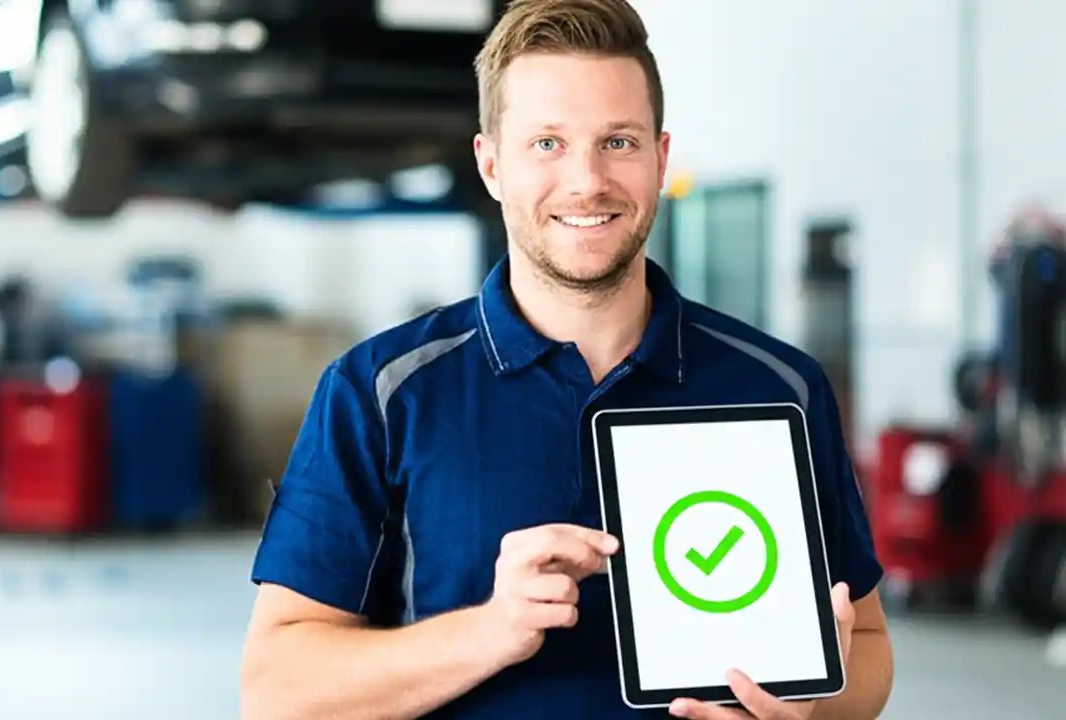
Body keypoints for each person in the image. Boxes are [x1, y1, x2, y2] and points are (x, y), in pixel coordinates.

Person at [240, 0, 894, 717]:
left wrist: (801, 708)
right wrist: (489, 631)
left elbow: (864, 644)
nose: (586, 181)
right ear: (490, 165)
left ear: (660, 157)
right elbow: (278, 690)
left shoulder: (779, 386)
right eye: (546, 144)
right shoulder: (381, 393)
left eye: (618, 141)